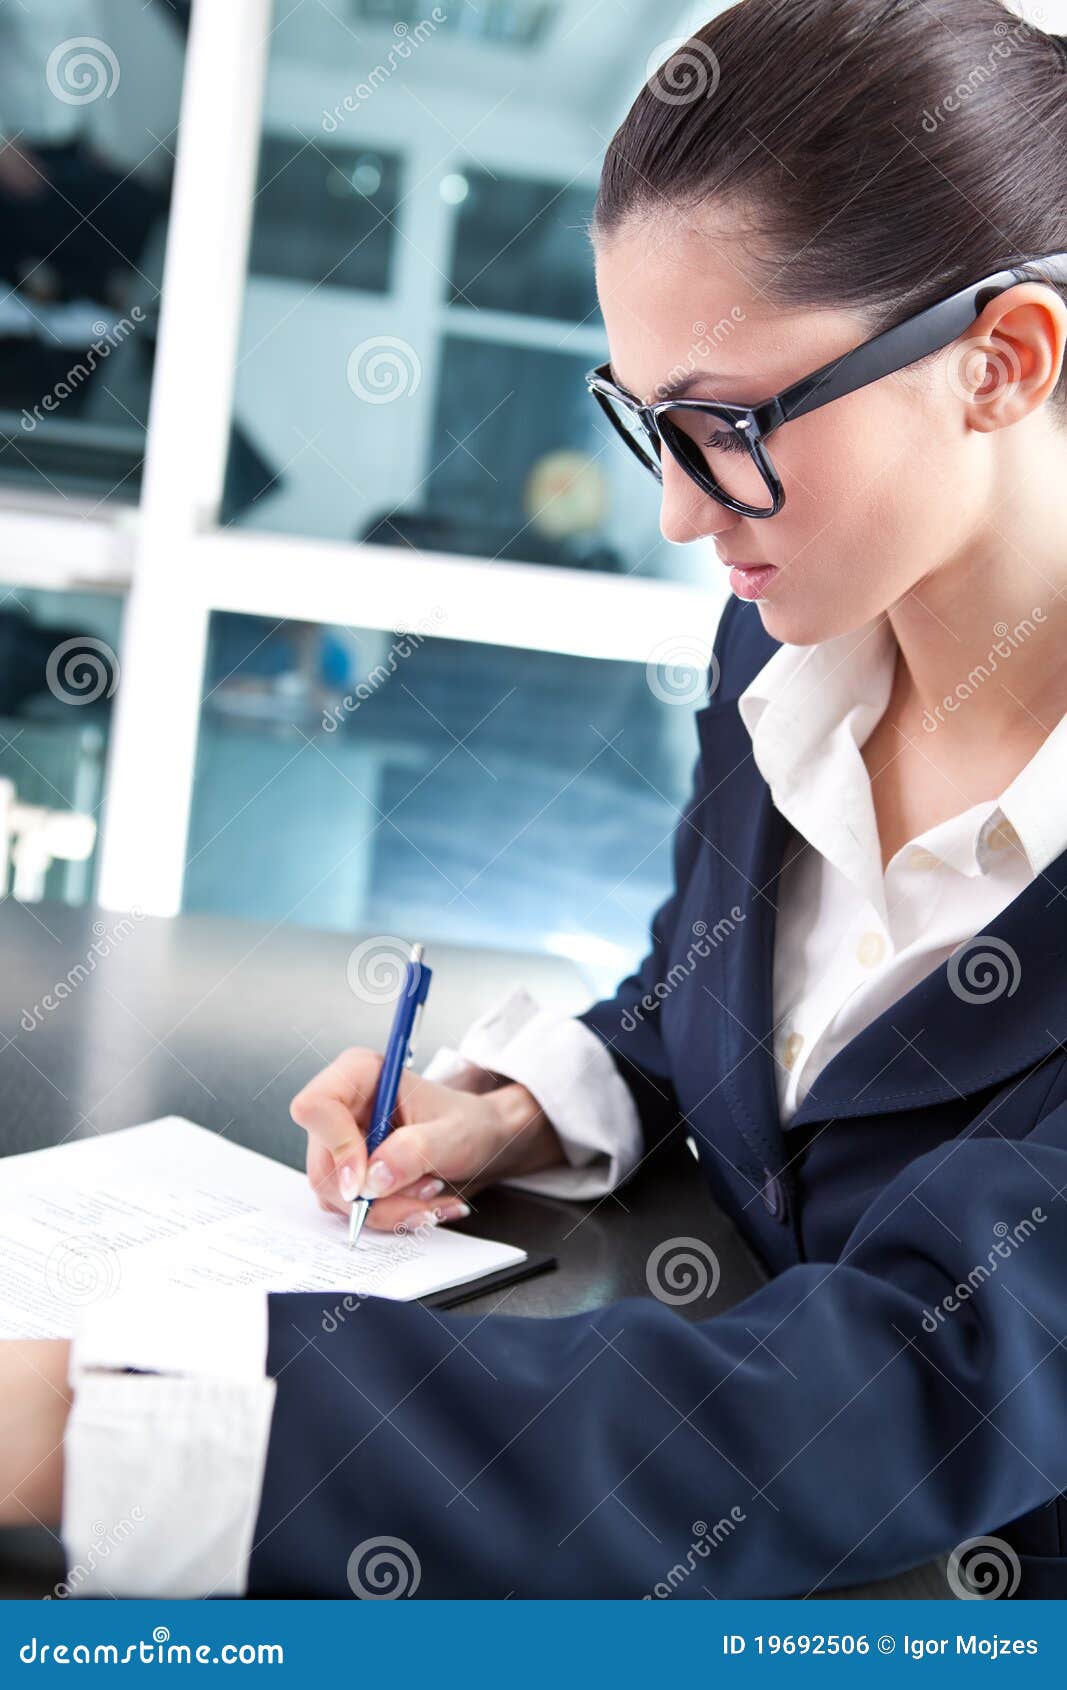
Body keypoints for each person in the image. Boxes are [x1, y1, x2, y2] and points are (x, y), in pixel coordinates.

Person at [4, 0, 1067, 1600]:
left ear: (1001, 363)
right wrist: (523, 1102)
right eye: (648, 421)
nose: (674, 509)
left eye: (726, 427)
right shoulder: (783, 646)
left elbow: (905, 1381)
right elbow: (727, 993)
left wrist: (79, 1430)